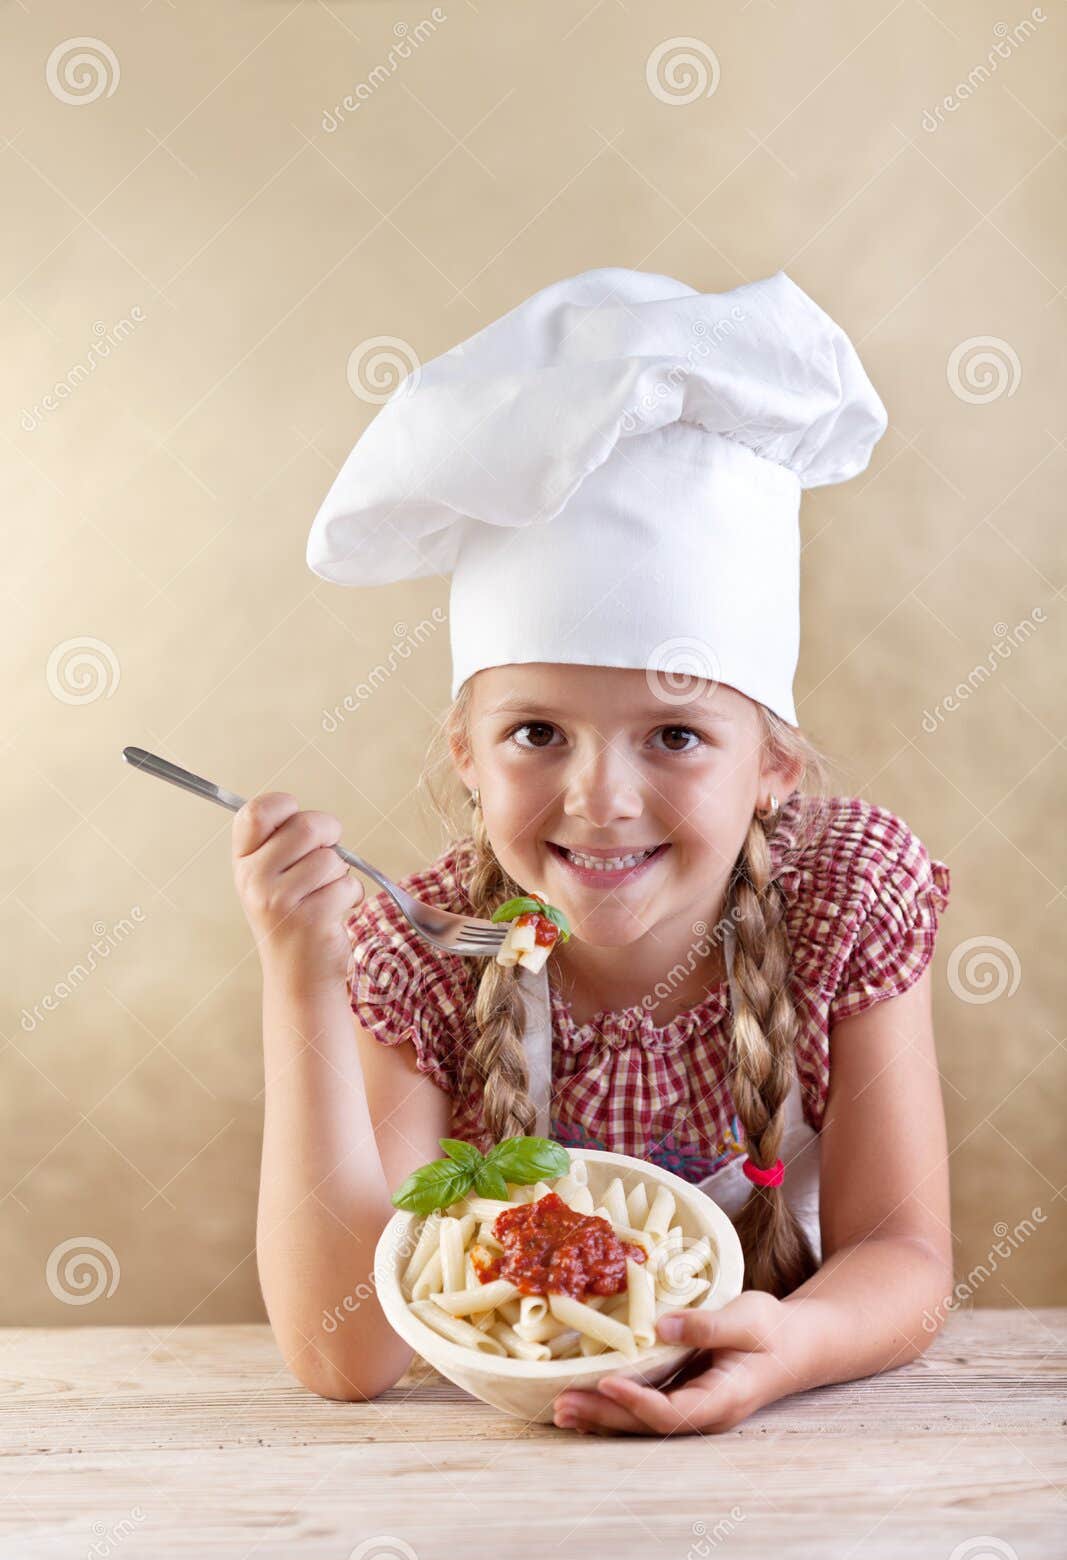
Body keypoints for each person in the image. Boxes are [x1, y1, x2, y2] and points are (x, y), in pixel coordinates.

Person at [233, 267, 953, 1435]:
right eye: (536, 733)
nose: (601, 799)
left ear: (771, 764)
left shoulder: (843, 897)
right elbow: (346, 1350)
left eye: (674, 734)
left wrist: (784, 1349)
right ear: (466, 754)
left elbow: (904, 1259)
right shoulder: (422, 954)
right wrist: (298, 976)